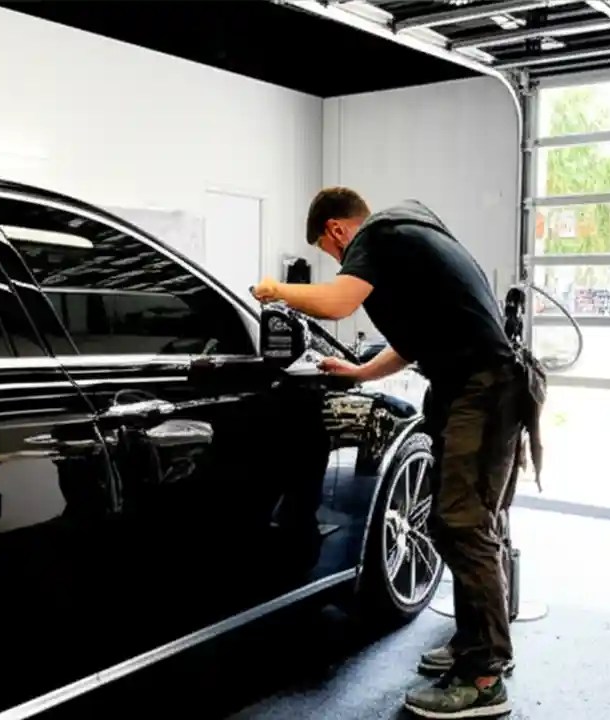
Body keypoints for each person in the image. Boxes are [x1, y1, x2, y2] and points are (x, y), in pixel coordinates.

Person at [252, 187, 524, 719]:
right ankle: (476, 644)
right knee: (453, 525)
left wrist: (274, 289)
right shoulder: (409, 237)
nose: (340, 263)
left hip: (484, 388)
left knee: (463, 525)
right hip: (472, 386)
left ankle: (485, 675)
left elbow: (335, 303)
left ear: (336, 230)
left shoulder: (376, 237)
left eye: (334, 255)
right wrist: (357, 372)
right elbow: (412, 343)